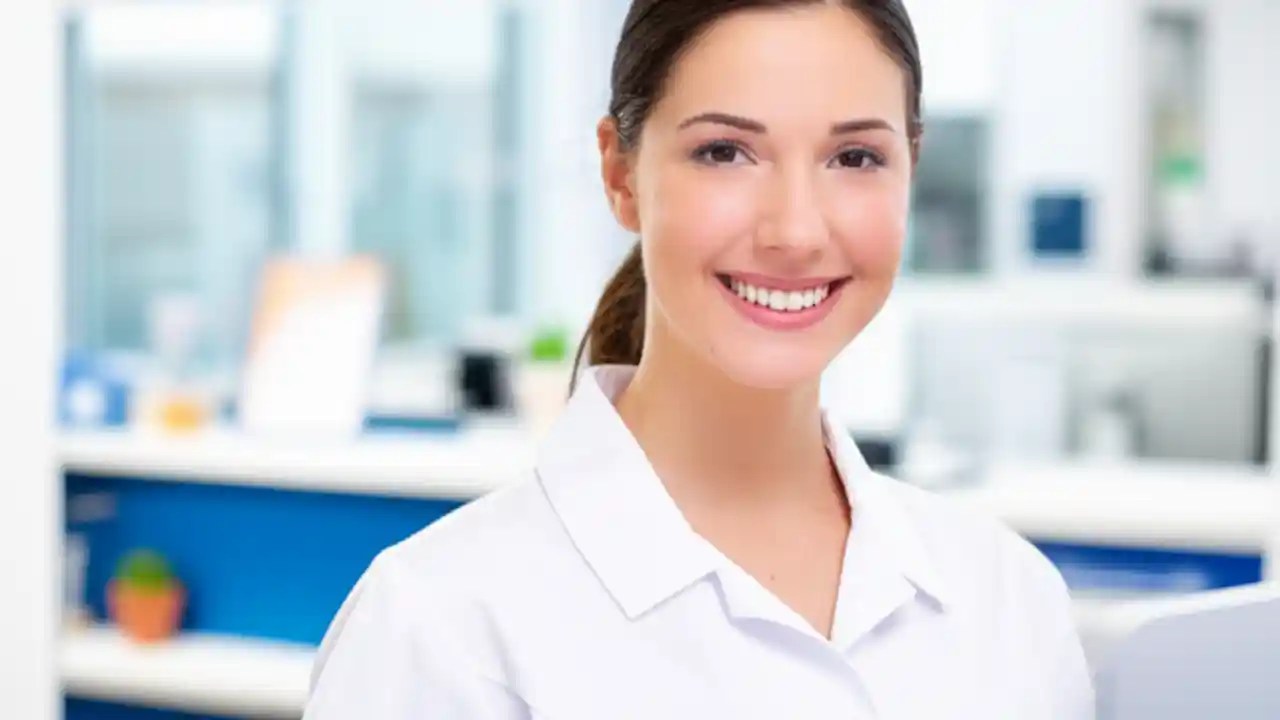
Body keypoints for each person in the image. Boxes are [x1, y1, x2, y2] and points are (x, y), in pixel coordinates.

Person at [304, 1, 1095, 717]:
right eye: (725, 152)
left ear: (910, 171)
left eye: (854, 158)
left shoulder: (1010, 599)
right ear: (620, 173)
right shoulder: (442, 628)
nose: (795, 230)